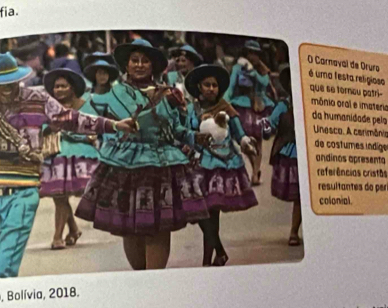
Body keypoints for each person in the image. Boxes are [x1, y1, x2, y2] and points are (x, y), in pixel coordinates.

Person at [0, 53, 135, 279]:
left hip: (22, 194)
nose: (7, 88)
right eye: (0, 84)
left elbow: (72, 119)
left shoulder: (37, 100)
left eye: (11, 82)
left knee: (2, 272)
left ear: (18, 79)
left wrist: (114, 125)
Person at [75, 39, 212, 270]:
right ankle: (140, 279)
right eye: (134, 60)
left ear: (153, 66)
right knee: (130, 228)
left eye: (145, 61)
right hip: (124, 166)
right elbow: (85, 119)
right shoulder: (112, 94)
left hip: (163, 165)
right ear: (126, 65)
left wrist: (194, 137)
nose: (139, 65)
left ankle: (155, 281)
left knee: (159, 228)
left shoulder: (169, 94)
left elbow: (175, 130)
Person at [184, 65, 258, 266]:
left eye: (214, 85)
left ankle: (207, 261)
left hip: (221, 165)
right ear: (199, 87)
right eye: (207, 85)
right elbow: (186, 131)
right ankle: (220, 252)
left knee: (211, 212)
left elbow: (238, 132)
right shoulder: (192, 109)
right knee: (201, 213)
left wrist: (246, 143)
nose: (210, 89)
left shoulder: (227, 108)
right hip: (198, 164)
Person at [40, 68, 96, 249]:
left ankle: (58, 236)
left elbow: (91, 129)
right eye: (56, 87)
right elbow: (41, 127)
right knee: (59, 195)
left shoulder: (84, 105)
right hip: (54, 155)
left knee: (61, 196)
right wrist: (50, 128)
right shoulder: (49, 106)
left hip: (78, 155)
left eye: (63, 86)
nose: (59, 90)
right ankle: (71, 230)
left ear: (72, 88)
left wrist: (71, 133)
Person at [224, 40, 276, 185]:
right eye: (250, 53)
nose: (252, 56)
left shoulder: (262, 69)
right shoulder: (238, 68)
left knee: (258, 140)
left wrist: (253, 72)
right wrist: (225, 102)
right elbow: (231, 86)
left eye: (255, 53)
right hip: (242, 105)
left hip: (259, 106)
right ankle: (254, 166)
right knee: (243, 140)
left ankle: (255, 173)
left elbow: (264, 83)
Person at [260, 66, 300, 246]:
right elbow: (269, 126)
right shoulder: (284, 105)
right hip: (292, 153)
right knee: (299, 195)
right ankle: (294, 231)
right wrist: (265, 127)